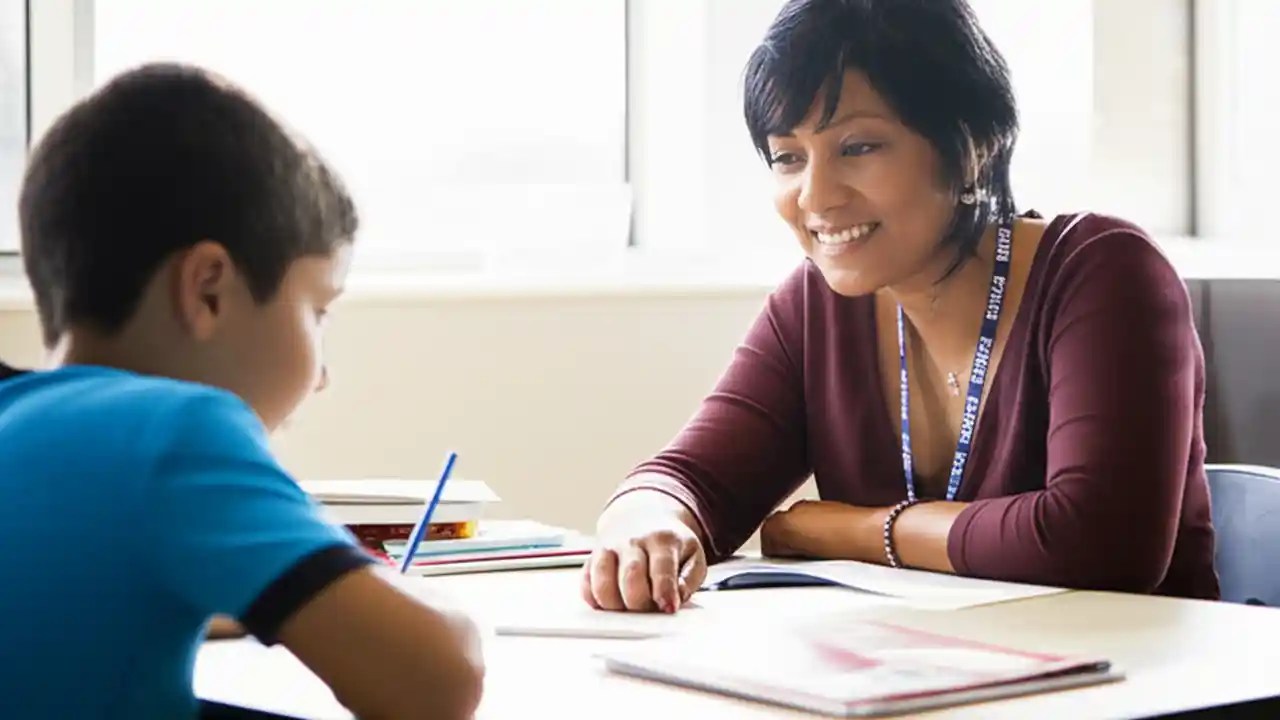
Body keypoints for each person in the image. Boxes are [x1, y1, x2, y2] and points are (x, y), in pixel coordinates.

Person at [583, 0, 1218, 614]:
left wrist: (852, 532)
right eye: (788, 158)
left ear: (973, 142)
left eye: (858, 147)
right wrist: (646, 523)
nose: (817, 195)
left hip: (1137, 686)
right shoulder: (816, 306)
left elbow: (1100, 545)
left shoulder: (1103, 270)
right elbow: (689, 478)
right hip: (923, 685)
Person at [0, 64, 483, 720]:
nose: (320, 374)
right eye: (317, 310)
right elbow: (437, 684)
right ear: (207, 290)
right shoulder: (172, 433)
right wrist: (410, 595)